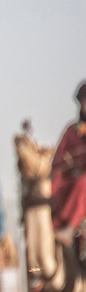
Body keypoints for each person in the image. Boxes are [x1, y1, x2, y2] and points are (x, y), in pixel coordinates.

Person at [52, 80, 86, 247]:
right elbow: (58, 159)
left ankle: (70, 229)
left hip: (83, 184)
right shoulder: (71, 130)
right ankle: (51, 227)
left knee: (84, 182)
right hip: (71, 181)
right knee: (53, 183)